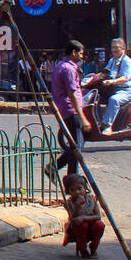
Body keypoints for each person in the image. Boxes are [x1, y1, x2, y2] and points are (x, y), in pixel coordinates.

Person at [47, 39, 89, 182]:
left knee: (75, 145)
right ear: (74, 53)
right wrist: (82, 117)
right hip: (71, 110)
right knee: (77, 147)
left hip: (64, 109)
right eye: (81, 54)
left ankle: (56, 168)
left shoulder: (60, 65)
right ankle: (72, 179)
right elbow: (72, 94)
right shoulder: (69, 69)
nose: (82, 57)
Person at [61, 173, 105, 259]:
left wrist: (84, 218)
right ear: (68, 192)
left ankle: (93, 248)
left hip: (92, 225)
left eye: (79, 188)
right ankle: (83, 250)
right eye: (73, 190)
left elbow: (98, 216)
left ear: (85, 188)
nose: (77, 192)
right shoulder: (69, 203)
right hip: (77, 228)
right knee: (82, 226)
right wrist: (77, 206)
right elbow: (72, 219)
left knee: (100, 225)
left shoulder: (91, 199)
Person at [99, 37, 131, 133]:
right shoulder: (112, 60)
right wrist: (94, 77)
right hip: (112, 89)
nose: (114, 50)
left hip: (125, 91)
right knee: (95, 98)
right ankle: (98, 121)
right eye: (112, 47)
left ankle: (107, 125)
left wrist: (112, 81)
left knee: (113, 100)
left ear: (123, 49)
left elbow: (125, 78)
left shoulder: (127, 62)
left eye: (116, 47)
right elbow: (105, 72)